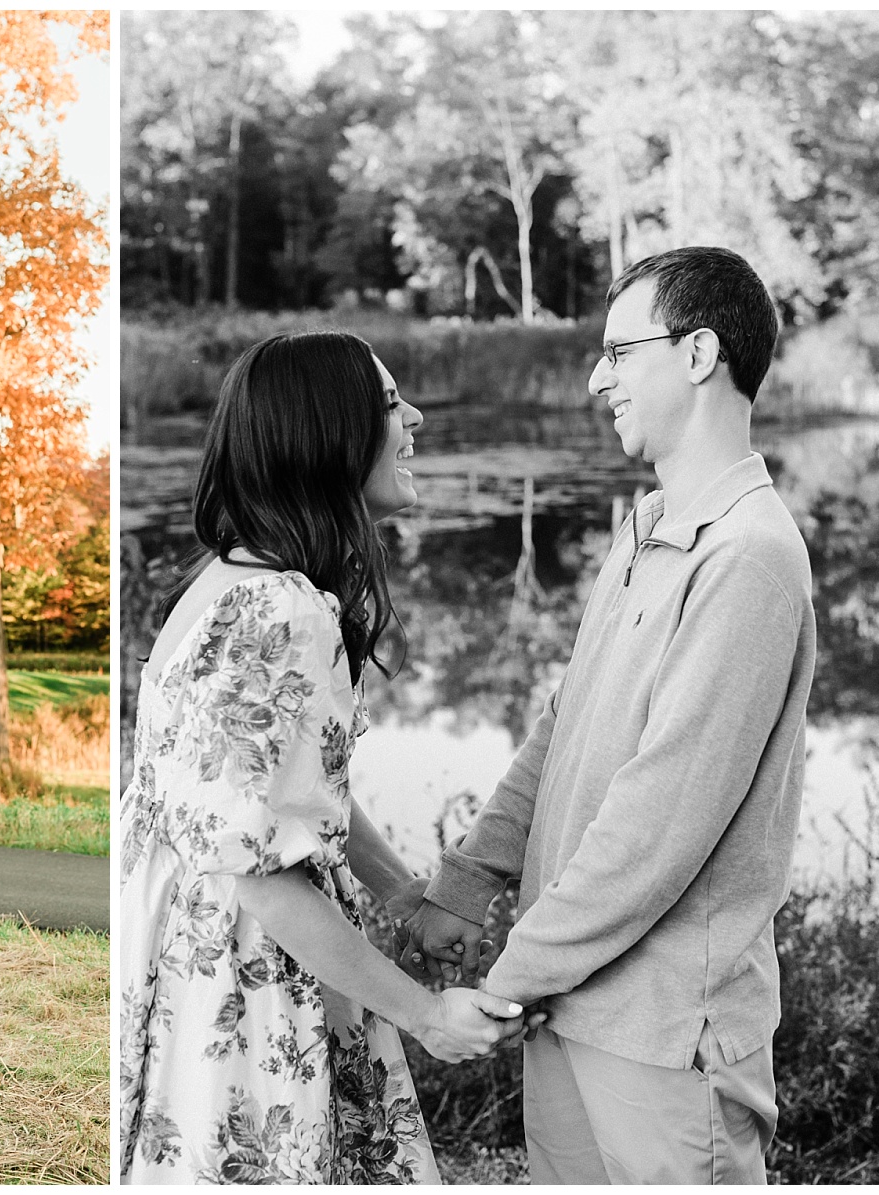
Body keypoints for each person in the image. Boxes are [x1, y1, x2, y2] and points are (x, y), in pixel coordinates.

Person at [404, 246, 817, 1183]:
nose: (598, 378)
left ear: (699, 352)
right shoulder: (645, 530)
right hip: (571, 1008)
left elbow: (658, 822)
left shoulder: (747, 556)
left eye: (620, 352)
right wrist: (468, 879)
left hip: (666, 1040)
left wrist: (507, 981)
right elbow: (565, 727)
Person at [120, 330, 529, 1185]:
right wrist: (424, 1014)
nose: (414, 418)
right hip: (255, 975)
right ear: (328, 434)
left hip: (177, 953)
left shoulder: (222, 580)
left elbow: (277, 802)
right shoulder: (289, 614)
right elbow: (261, 872)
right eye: (389, 404)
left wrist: (406, 895)